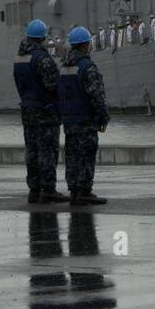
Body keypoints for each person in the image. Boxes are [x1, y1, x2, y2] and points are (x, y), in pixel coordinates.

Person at [14, 19, 65, 204]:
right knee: (48, 152)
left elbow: (19, 85)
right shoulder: (42, 58)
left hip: (27, 112)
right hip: (45, 112)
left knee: (32, 152)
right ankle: (48, 189)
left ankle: (34, 189)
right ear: (43, 37)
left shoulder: (19, 58)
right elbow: (53, 85)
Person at [58, 26, 109, 205]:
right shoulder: (87, 67)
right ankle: (85, 191)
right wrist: (103, 117)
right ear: (85, 44)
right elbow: (97, 96)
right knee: (87, 155)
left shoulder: (63, 68)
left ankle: (74, 191)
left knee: (71, 156)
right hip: (86, 120)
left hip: (69, 121)